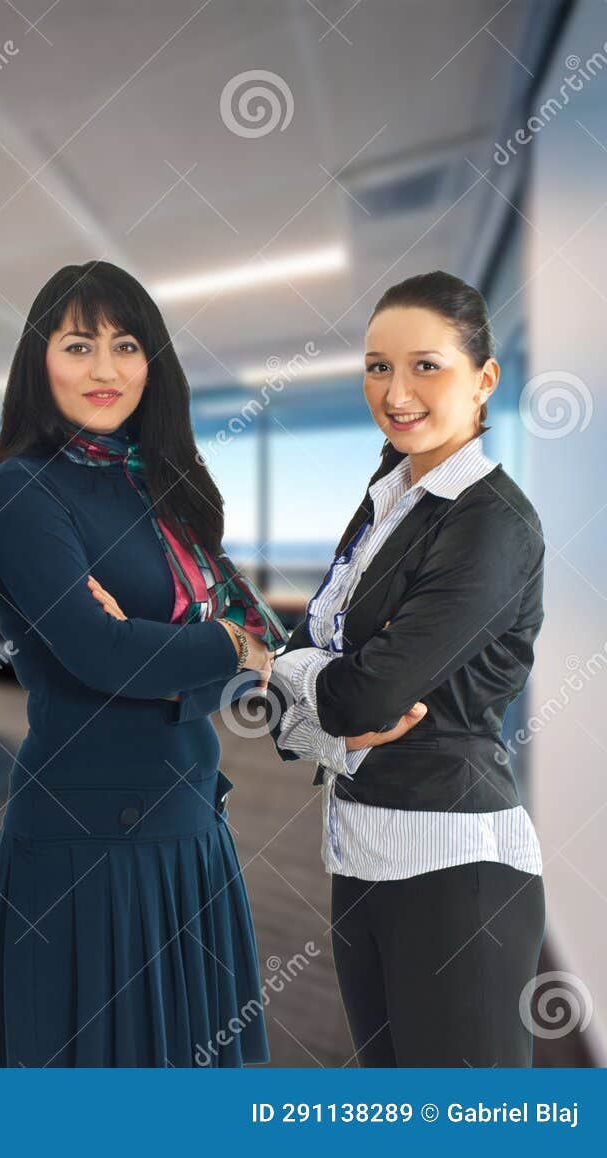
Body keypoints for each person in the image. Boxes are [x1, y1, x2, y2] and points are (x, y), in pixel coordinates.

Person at [0, 260, 285, 1067]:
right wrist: (220, 647)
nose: (105, 370)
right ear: (39, 361)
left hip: (188, 823)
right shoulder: (21, 490)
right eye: (78, 346)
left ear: (154, 362)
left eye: (126, 345)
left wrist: (193, 651)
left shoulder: (164, 484)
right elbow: (102, 655)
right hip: (90, 841)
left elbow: (258, 632)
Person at [266, 271, 546, 1067]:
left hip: (457, 873)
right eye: (376, 366)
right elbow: (322, 666)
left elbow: (365, 692)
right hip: (359, 852)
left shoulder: (490, 523)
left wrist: (297, 677)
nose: (395, 391)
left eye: (426, 365)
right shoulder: (390, 494)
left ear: (484, 379)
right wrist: (313, 683)